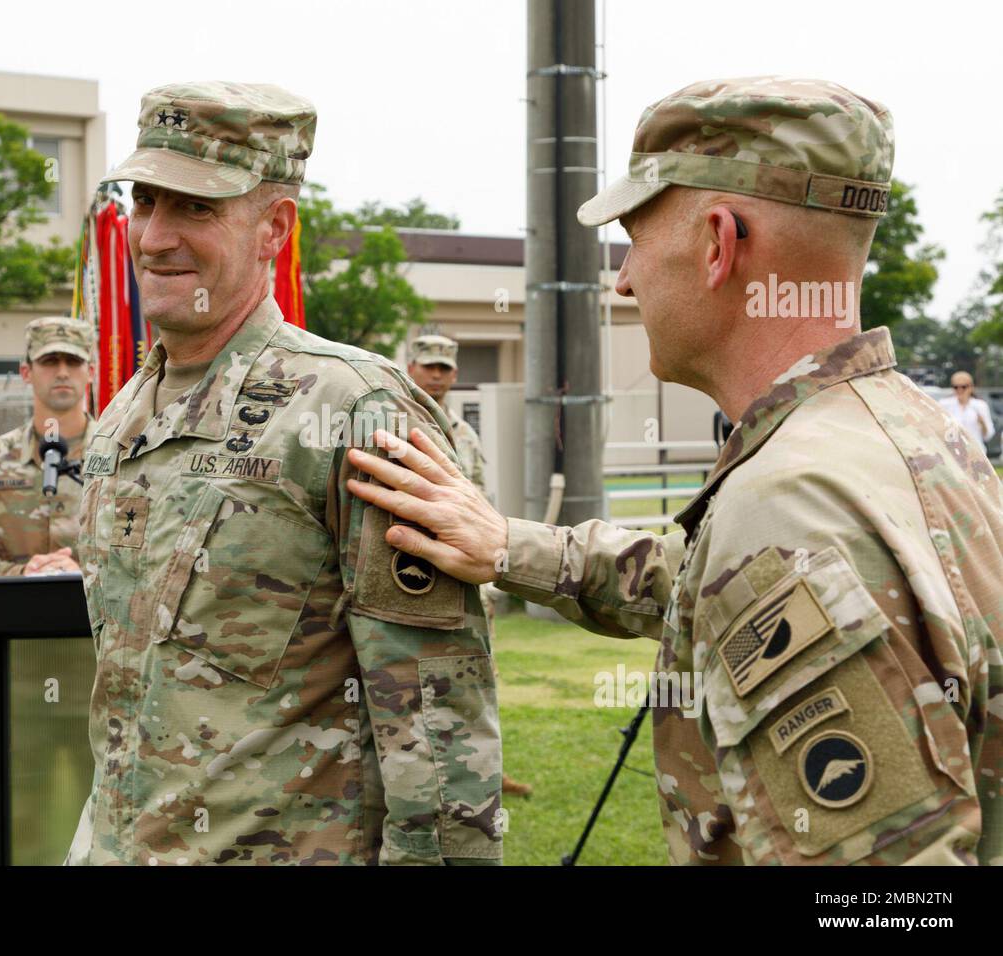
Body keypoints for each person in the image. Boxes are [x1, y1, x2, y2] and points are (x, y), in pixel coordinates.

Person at [345, 77, 1003, 865]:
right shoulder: (915, 431)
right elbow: (705, 580)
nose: (622, 280)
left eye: (634, 240)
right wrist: (507, 546)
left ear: (718, 243)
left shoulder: (787, 500)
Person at [65, 81, 501, 866]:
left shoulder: (353, 409)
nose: (155, 237)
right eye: (146, 201)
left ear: (274, 228)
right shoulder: (120, 417)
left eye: (195, 208)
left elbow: (437, 722)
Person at [0, 316, 98, 784]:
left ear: (90, 371)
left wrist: (80, 568)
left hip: (102, 676)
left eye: (74, 361)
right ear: (27, 372)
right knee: (18, 823)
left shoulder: (128, 456)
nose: (63, 372)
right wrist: (25, 572)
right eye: (50, 361)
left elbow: (155, 556)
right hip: (17, 673)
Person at [407, 333, 532, 798]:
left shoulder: (466, 435)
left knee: (480, 677)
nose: (436, 375)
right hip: (415, 577)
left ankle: (486, 774)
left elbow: (481, 502)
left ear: (455, 375)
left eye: (444, 368)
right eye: (429, 366)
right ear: (412, 367)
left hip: (468, 581)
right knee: (412, 681)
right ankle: (424, 781)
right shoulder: (396, 424)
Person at [940, 371, 995, 450]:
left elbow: (988, 435)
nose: (959, 389)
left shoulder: (980, 405)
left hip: (976, 451)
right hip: (953, 452)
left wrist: (982, 423)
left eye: (963, 386)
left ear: (971, 387)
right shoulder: (944, 404)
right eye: (956, 387)